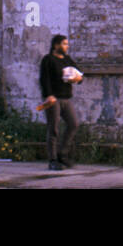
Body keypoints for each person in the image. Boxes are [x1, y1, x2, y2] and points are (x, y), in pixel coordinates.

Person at [39, 34, 82, 170]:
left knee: (73, 124)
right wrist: (48, 95)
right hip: (54, 99)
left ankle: (62, 155)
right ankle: (52, 160)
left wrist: (77, 79)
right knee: (54, 128)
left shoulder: (67, 59)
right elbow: (44, 79)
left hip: (66, 98)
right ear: (56, 45)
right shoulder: (48, 60)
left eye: (67, 44)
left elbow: (79, 76)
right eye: (64, 44)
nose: (66, 46)